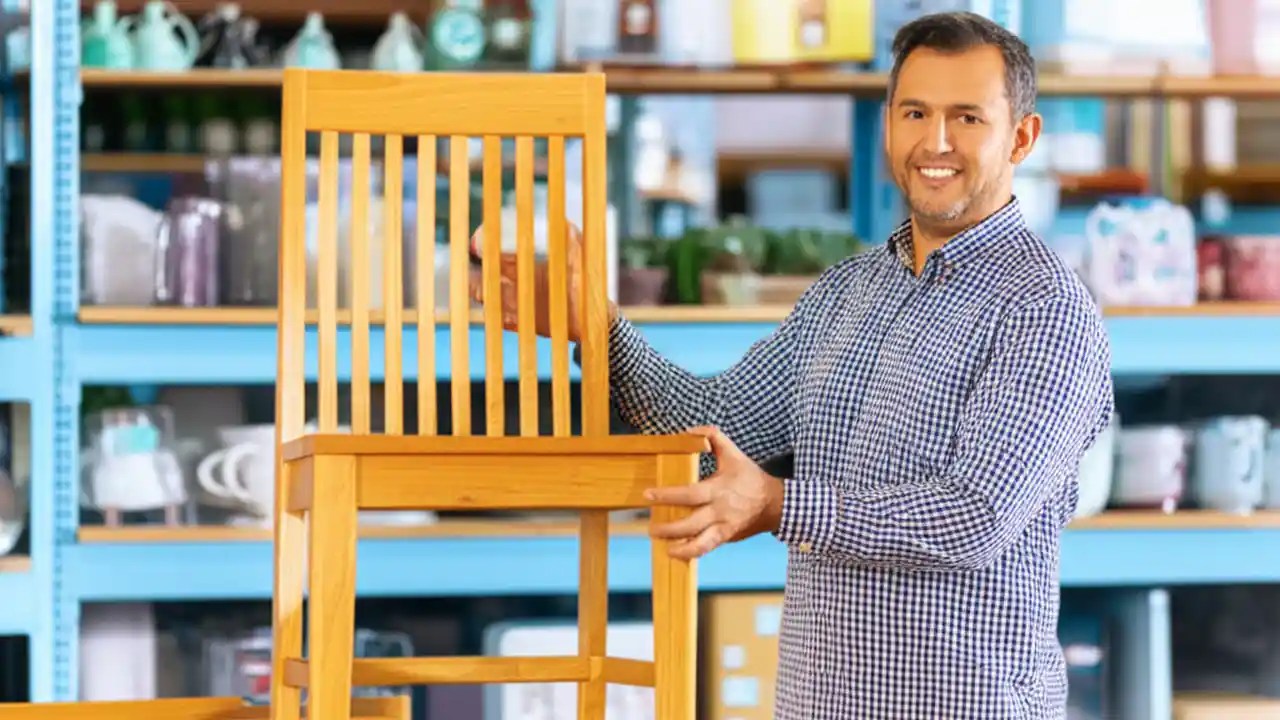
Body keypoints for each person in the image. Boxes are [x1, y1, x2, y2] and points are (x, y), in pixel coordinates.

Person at [472, 11, 1114, 718]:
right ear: (888, 125)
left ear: (1021, 136)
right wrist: (594, 329)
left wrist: (779, 504)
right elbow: (714, 432)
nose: (936, 142)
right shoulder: (847, 292)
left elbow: (973, 516)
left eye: (967, 117)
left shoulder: (1047, 308)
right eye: (915, 112)